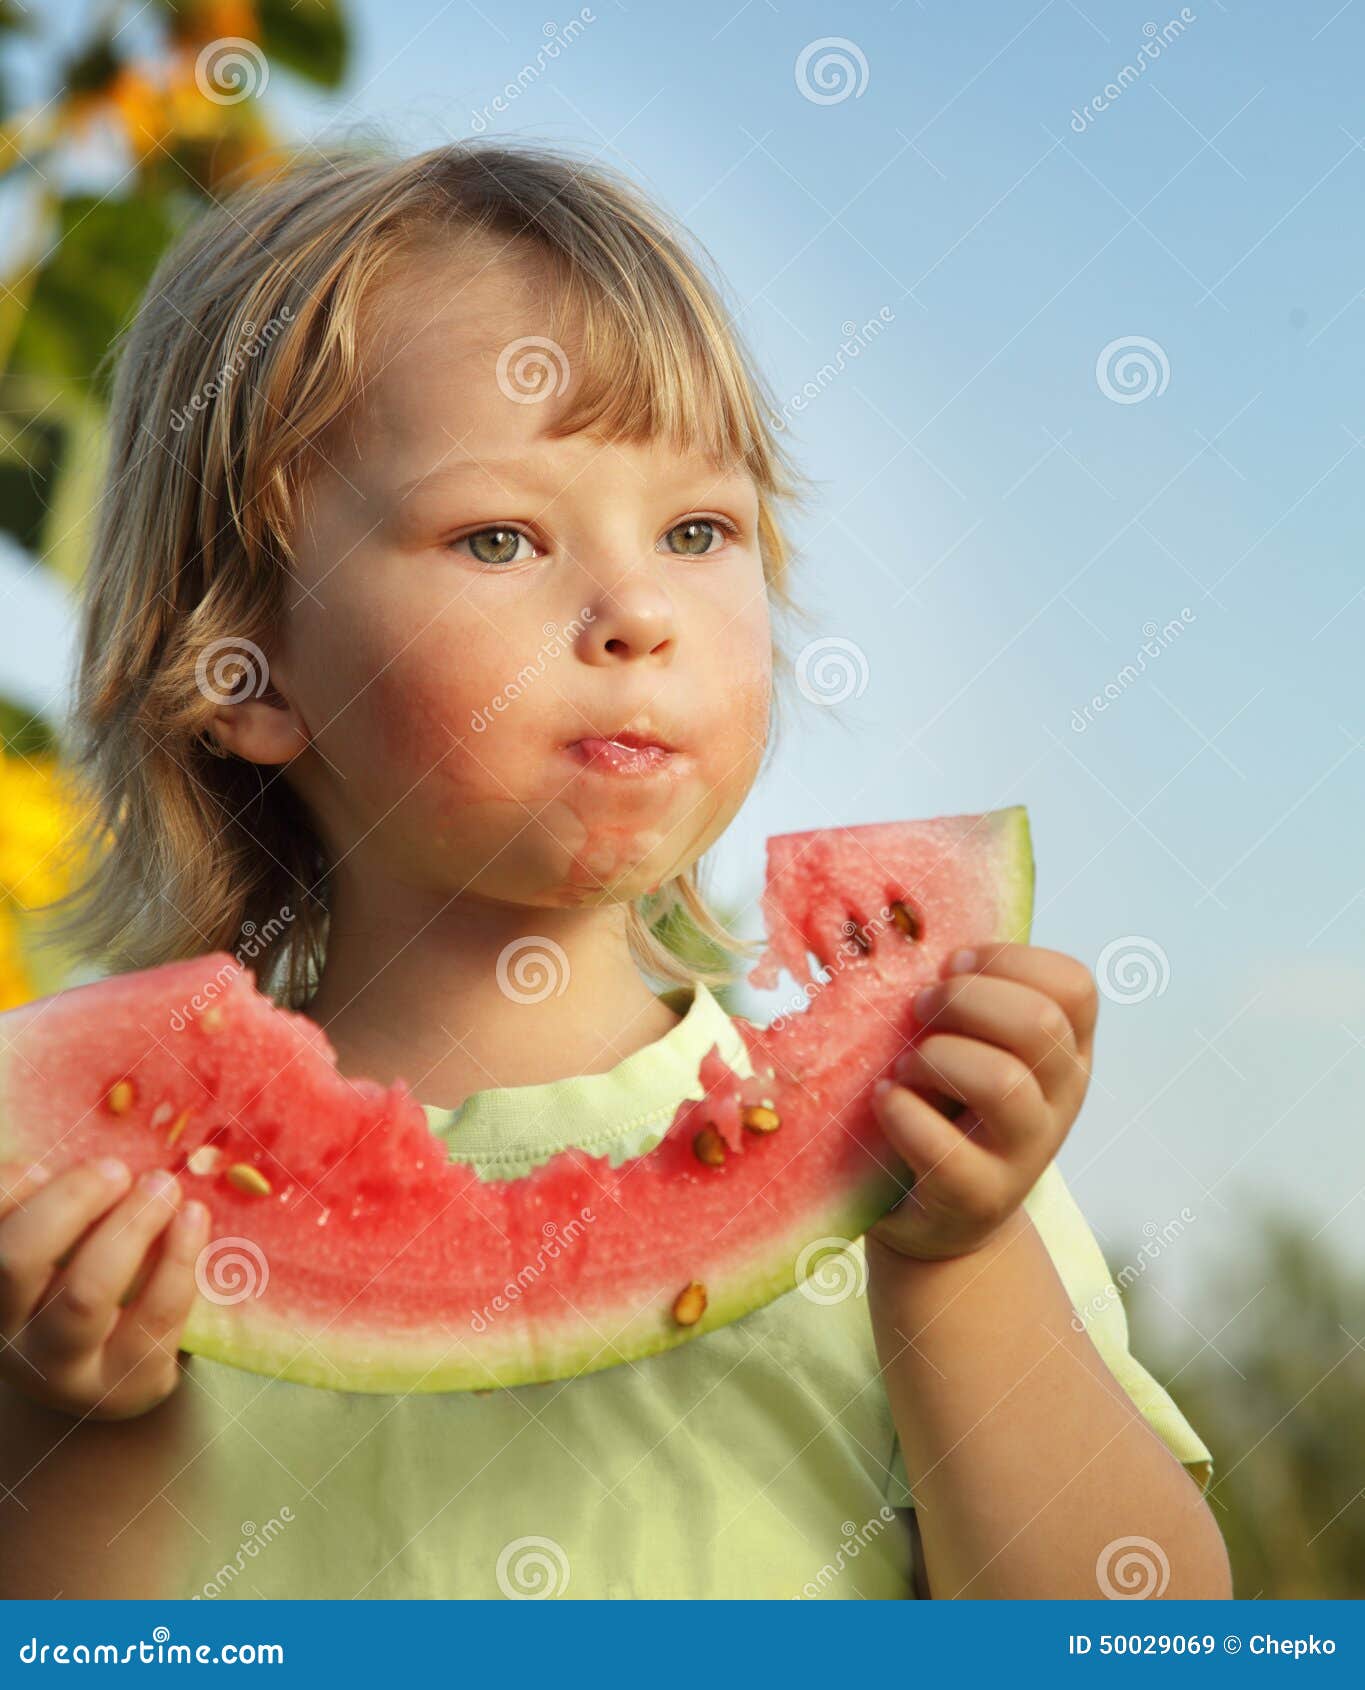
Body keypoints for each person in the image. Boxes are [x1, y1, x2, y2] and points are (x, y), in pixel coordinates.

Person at [0, 138, 1230, 1600]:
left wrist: (953, 1262)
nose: (637, 607)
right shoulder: (97, 1223)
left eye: (698, 528)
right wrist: (75, 1421)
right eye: (501, 535)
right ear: (247, 666)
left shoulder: (923, 1148)